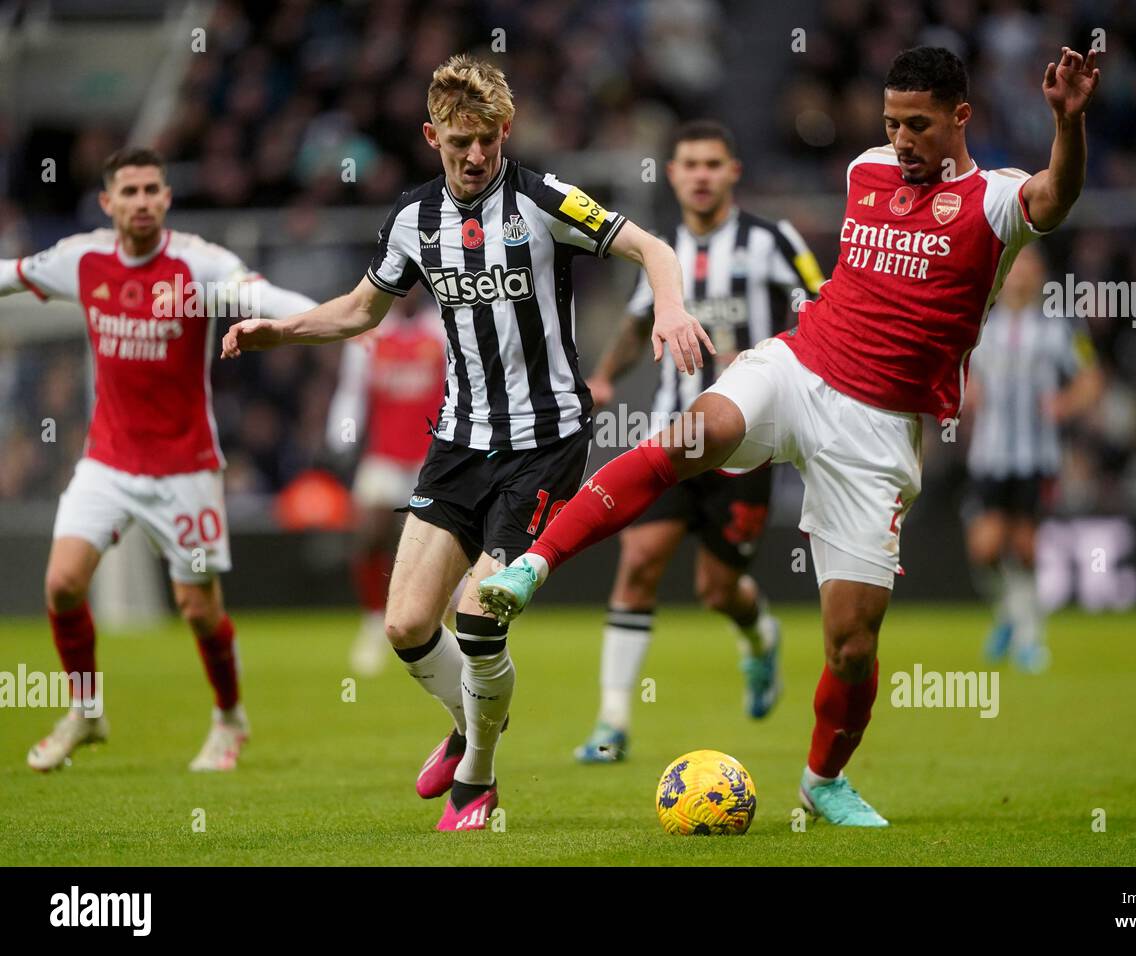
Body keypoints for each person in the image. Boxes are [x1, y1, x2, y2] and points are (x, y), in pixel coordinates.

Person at [480, 46, 1101, 827]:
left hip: (879, 431)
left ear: (960, 118)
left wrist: (1065, 125)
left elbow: (1058, 195)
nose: (901, 140)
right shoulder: (865, 171)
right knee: (686, 436)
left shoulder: (994, 199)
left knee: (852, 642)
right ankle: (533, 567)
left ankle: (821, 780)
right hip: (798, 367)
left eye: (918, 125)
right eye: (890, 123)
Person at [221, 54, 710, 831]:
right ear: (431, 137)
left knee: (479, 617)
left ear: (505, 131)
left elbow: (652, 246)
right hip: (458, 444)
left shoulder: (544, 199)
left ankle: (477, 779)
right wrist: (283, 331)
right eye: (458, 143)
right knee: (407, 625)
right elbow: (359, 311)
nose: (475, 155)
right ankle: (475, 719)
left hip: (548, 442)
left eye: (486, 139)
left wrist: (673, 310)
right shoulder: (413, 221)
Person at [0, 147, 318, 772]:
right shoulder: (81, 260)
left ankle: (229, 717)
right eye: (131, 190)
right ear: (108, 202)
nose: (143, 200)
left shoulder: (197, 265)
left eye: (153, 189)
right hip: (108, 463)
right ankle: (87, 711)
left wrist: (333, 317)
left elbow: (262, 293)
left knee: (198, 610)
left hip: (186, 469)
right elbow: (10, 273)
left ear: (167, 198)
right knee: (63, 584)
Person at [573, 120, 824, 763]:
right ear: (675, 174)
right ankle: (611, 723)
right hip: (673, 438)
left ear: (733, 171)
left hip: (747, 447)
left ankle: (760, 635)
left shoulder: (772, 241)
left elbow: (824, 308)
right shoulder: (660, 252)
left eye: (714, 163)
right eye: (689, 164)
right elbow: (636, 324)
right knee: (639, 563)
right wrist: (602, 377)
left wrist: (775, 357)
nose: (702, 174)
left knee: (719, 589)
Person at [962, 245, 1102, 672]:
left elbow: (1091, 379)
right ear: (1003, 274)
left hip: (1037, 457)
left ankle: (1029, 638)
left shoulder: (1061, 329)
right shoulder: (980, 325)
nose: (1021, 277)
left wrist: (1067, 403)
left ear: (1039, 276)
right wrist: (965, 394)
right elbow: (956, 372)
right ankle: (1009, 611)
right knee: (984, 548)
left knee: (1024, 546)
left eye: (1029, 268)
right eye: (1015, 268)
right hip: (989, 454)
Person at [324, 293, 447, 676]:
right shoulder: (369, 334)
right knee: (368, 533)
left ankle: (439, 623)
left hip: (432, 456)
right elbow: (351, 390)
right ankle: (372, 622)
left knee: (436, 544)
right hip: (384, 454)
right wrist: (340, 436)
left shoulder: (441, 331)